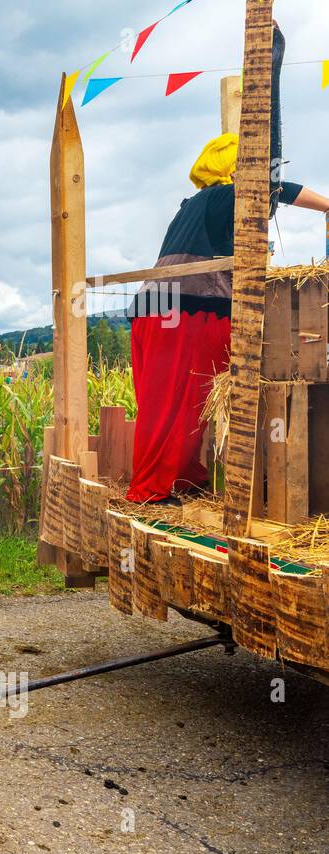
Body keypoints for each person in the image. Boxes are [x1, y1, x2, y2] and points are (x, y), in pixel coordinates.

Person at [126, 21, 329, 504]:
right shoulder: (223, 199)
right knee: (180, 404)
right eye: (248, 163)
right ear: (234, 169)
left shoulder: (195, 206)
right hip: (189, 312)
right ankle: (152, 489)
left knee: (182, 404)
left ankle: (180, 479)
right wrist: (271, 71)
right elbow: (274, 175)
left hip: (164, 312)